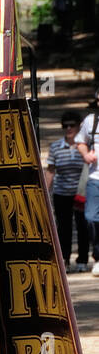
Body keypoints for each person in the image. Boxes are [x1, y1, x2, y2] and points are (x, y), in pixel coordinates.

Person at [45, 111, 87, 272]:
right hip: (61, 193)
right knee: (63, 228)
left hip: (81, 193)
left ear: (79, 126)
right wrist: (46, 193)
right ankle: (65, 259)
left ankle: (82, 259)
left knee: (83, 226)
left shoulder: (85, 147)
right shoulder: (56, 147)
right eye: (65, 125)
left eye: (72, 125)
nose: (69, 128)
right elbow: (50, 170)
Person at [73, 91, 99, 275]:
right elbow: (80, 141)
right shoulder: (91, 120)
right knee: (90, 218)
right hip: (95, 178)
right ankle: (98, 254)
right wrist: (86, 154)